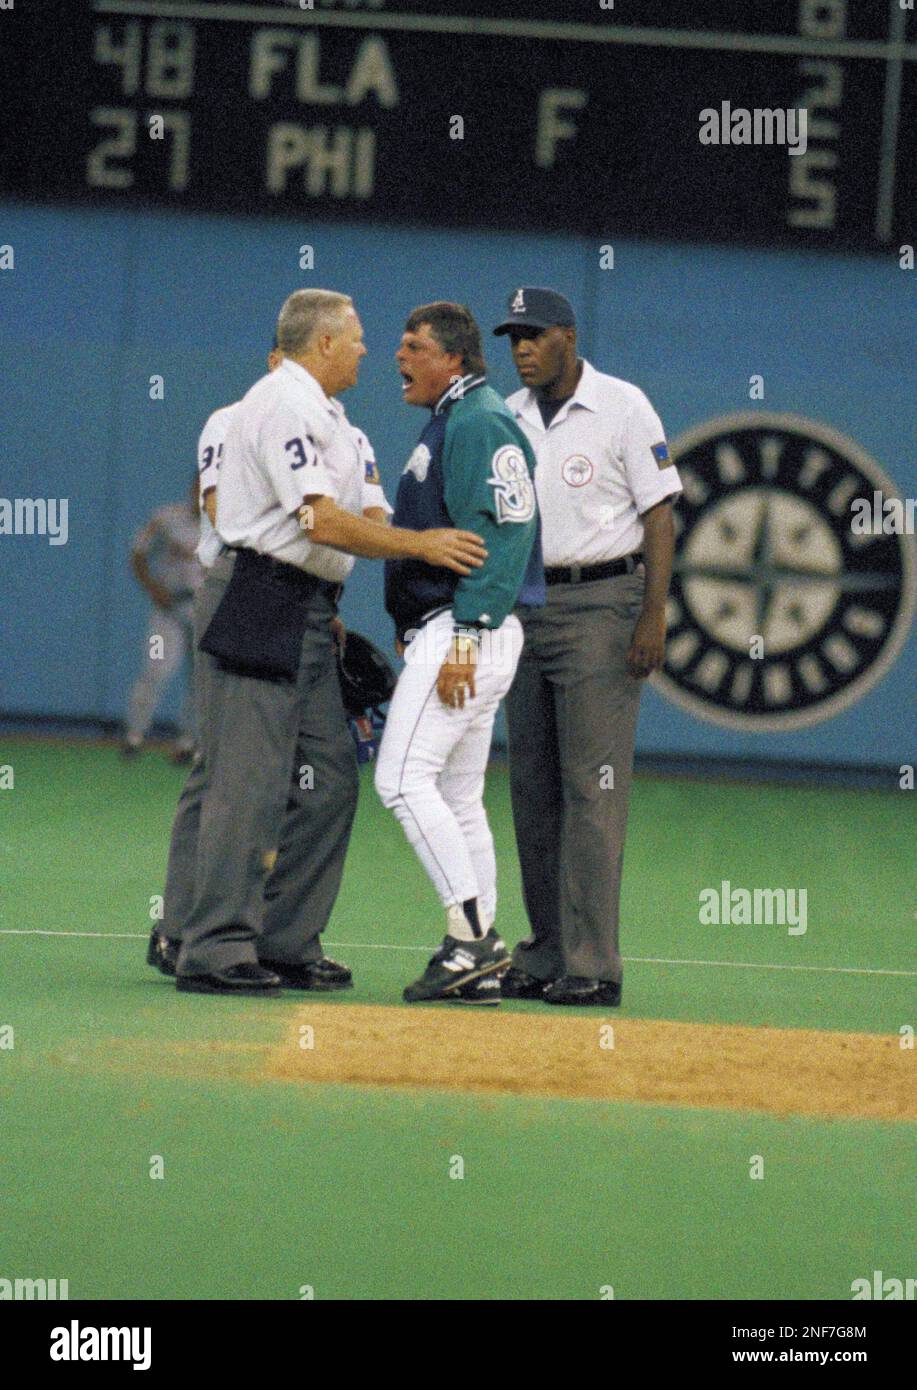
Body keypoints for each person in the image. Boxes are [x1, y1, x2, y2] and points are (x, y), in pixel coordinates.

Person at [176, 289, 488, 995]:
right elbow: (319, 521)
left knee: (330, 780)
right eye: (356, 338)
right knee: (247, 783)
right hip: (258, 596)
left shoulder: (336, 423)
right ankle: (215, 949)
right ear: (321, 344)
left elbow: (371, 514)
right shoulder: (281, 404)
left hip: (312, 607)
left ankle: (284, 941)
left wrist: (419, 539)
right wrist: (425, 545)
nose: (368, 350)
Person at [492, 286, 682, 1006]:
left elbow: (659, 516)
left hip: (603, 602)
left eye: (534, 335)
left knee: (591, 790)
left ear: (568, 336)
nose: (522, 348)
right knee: (532, 789)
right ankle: (543, 952)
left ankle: (592, 965)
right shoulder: (505, 417)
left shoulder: (623, 406)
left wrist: (652, 614)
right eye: (514, 337)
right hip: (525, 604)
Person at [375, 302, 544, 1004]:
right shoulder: (457, 415)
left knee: (400, 780)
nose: (399, 356)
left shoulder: (478, 419)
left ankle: (471, 938)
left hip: (466, 628)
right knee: (457, 796)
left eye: (413, 346)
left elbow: (504, 533)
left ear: (454, 357)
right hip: (460, 627)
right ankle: (478, 961)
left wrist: (465, 635)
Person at [148, 340, 282, 978]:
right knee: (223, 769)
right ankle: (183, 930)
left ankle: (235, 933)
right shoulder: (232, 421)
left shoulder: (326, 423)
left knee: (254, 774)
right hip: (240, 590)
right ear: (278, 358)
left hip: (290, 598)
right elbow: (219, 509)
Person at [122, 481, 203, 763]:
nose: (202, 494)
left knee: (201, 678)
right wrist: (152, 587)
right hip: (169, 609)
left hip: (203, 610)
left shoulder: (226, 525)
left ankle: (187, 742)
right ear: (192, 489)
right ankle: (134, 735)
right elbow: (138, 554)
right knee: (156, 668)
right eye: (199, 487)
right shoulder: (166, 519)